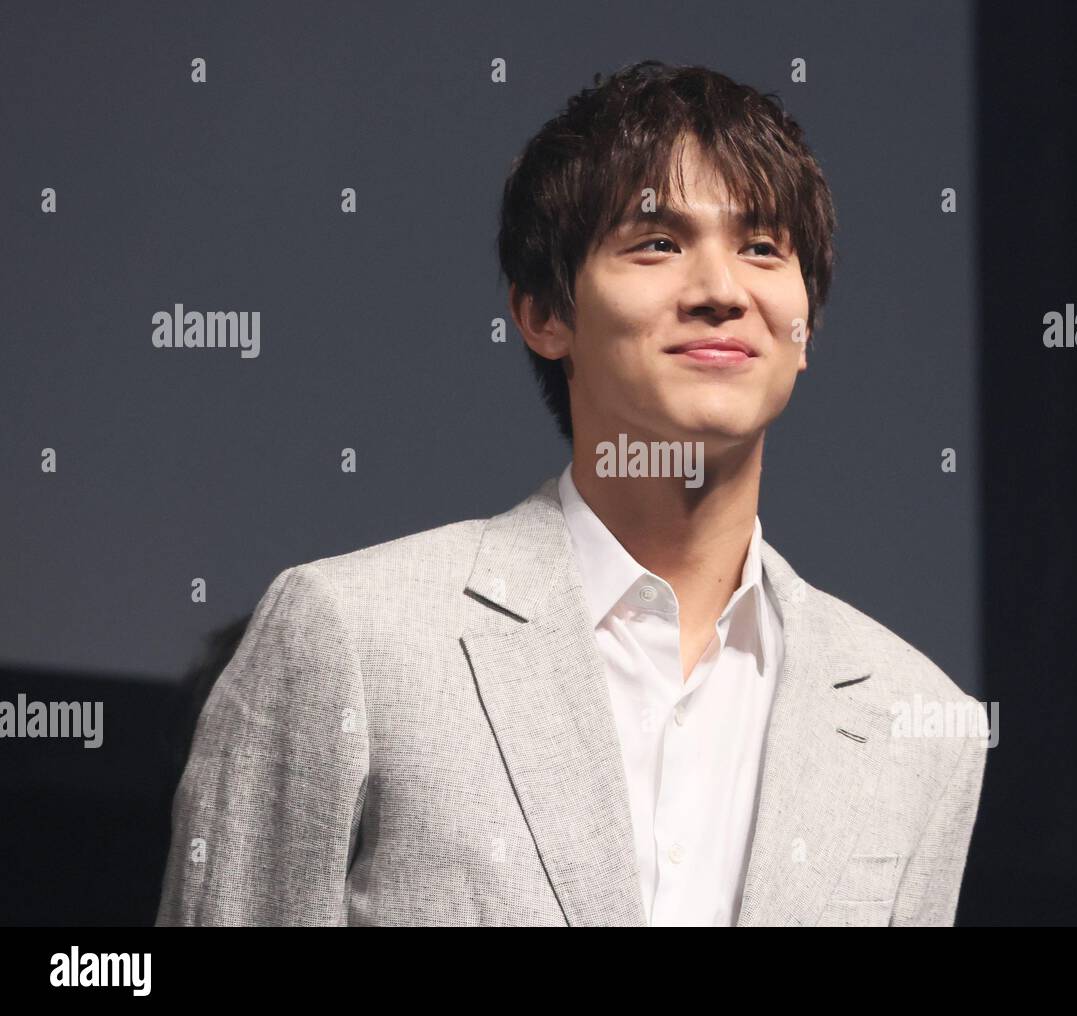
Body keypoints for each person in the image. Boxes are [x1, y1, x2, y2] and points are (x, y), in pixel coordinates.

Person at [156, 60, 986, 928]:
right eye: (658, 243)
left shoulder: (917, 724)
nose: (722, 291)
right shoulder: (352, 637)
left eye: (763, 248)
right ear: (544, 314)